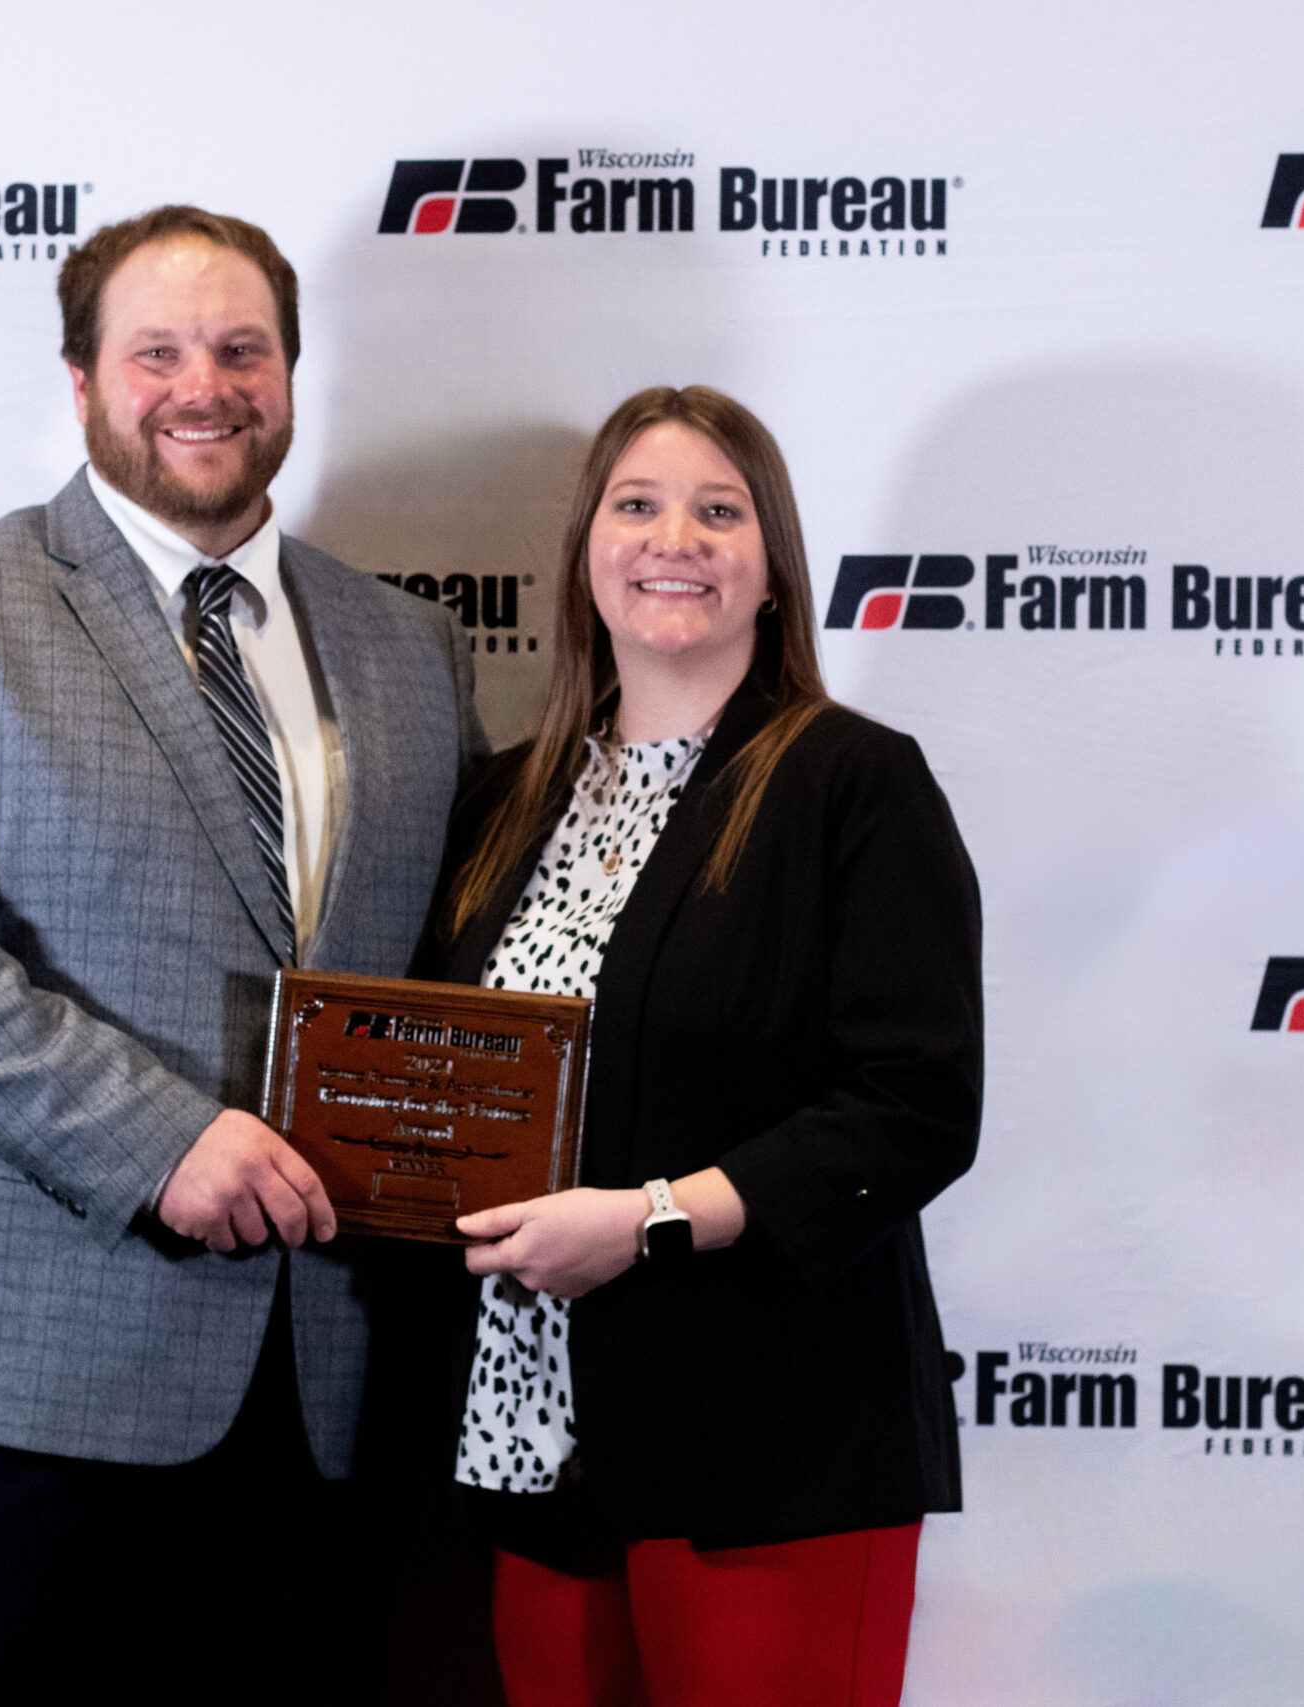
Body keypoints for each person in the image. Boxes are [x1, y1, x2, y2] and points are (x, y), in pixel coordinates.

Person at [0, 204, 483, 1706]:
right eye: (156, 352)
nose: (203, 386)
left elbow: (450, 978)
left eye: (241, 349)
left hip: (330, 1381)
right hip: (25, 1374)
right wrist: (162, 1141)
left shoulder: (410, 649)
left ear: (289, 374)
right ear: (83, 380)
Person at [418, 385, 982, 1706]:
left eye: (720, 512)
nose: (675, 539)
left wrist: (647, 1223)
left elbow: (914, 1106)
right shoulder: (502, 799)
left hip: (770, 1455)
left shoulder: (854, 783)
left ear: (774, 570)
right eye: (638, 505)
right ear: (586, 555)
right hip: (532, 1450)